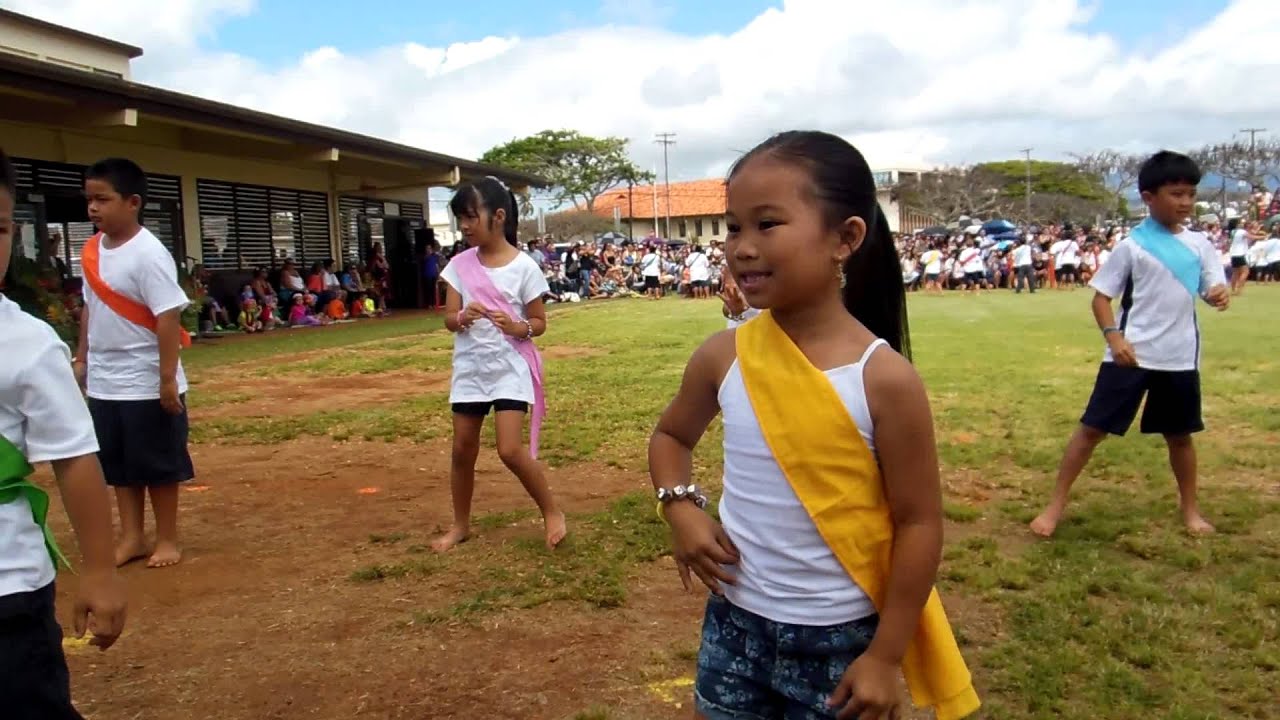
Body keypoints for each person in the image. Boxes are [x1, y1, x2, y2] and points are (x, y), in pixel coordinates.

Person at [649, 132, 978, 720]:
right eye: (732, 227)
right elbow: (670, 438)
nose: (741, 248)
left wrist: (884, 656)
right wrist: (680, 507)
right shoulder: (722, 356)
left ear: (845, 238)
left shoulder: (884, 380)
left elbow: (920, 522)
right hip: (735, 625)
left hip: (841, 640)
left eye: (767, 224)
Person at [1030, 151, 1230, 538]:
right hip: (1130, 357)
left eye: (1190, 194)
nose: (1185, 202)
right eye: (1175, 193)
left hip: (1179, 358)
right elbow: (1101, 298)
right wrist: (1114, 338)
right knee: (1091, 431)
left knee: (1180, 437)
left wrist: (1218, 295)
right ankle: (1054, 507)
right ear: (1148, 197)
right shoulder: (1132, 246)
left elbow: (1208, 289)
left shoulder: (1201, 245)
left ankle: (1190, 510)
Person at [0, 148, 127, 719]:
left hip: (8, 589)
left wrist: (99, 572)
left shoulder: (25, 343)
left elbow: (75, 458)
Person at [434, 176, 566, 553]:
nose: (464, 226)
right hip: (471, 370)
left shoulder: (525, 267)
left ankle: (552, 512)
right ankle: (460, 525)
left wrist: (518, 327)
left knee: (509, 449)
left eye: (471, 217)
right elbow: (448, 319)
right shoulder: (458, 266)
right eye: (460, 218)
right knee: (462, 449)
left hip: (510, 368)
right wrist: (463, 317)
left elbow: (539, 324)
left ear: (498, 216)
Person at [74, 158, 195, 569]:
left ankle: (167, 538)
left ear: (132, 202)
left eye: (102, 199)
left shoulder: (149, 254)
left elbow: (167, 316)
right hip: (106, 381)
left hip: (145, 379)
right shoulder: (90, 252)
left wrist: (166, 379)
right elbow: (89, 309)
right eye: (89, 199)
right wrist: (82, 358)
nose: (93, 208)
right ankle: (131, 537)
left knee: (158, 463)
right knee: (120, 465)